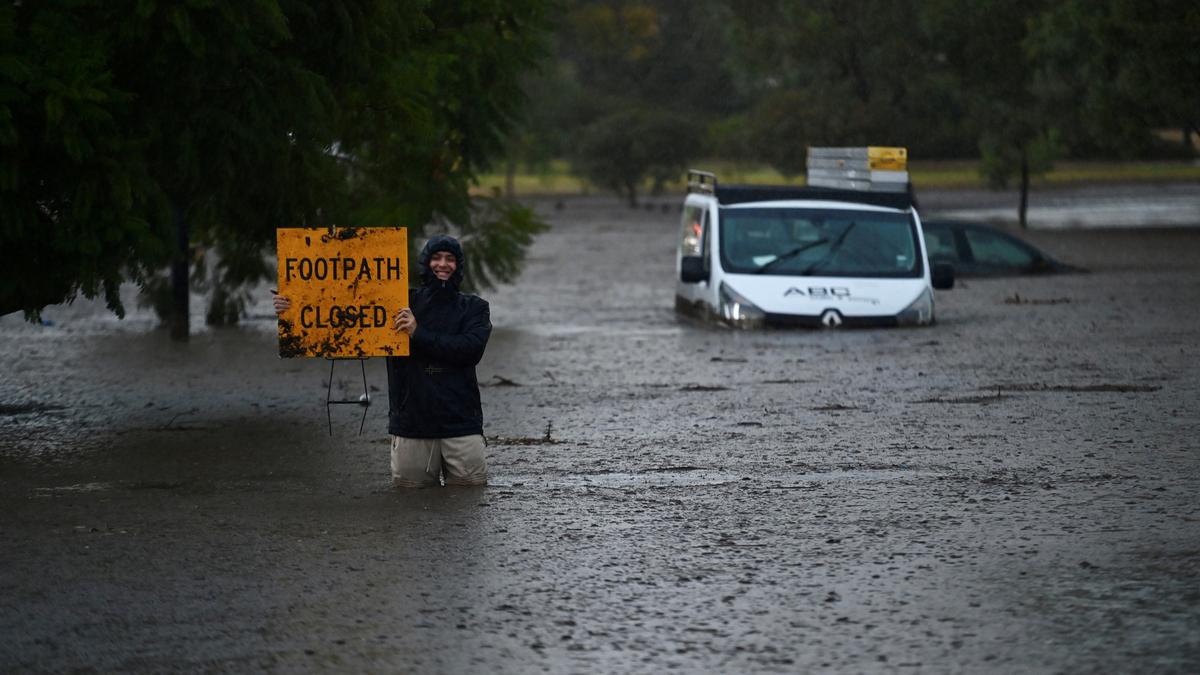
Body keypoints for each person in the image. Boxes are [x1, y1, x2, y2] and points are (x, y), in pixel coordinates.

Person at [273, 234, 492, 487]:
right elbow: (342, 320)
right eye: (436, 257)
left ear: (459, 265)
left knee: (469, 500)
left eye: (450, 259)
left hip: (462, 425)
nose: (443, 264)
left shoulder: (475, 307)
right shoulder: (397, 302)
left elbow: (470, 350)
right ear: (425, 262)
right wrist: (292, 309)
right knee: (410, 502)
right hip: (411, 425)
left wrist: (416, 333)